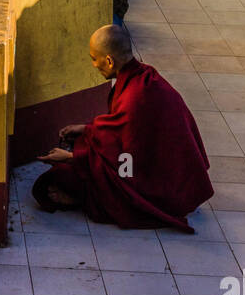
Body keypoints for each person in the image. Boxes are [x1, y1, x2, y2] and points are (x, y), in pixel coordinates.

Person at [33, 25, 213, 232]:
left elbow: (125, 157)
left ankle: (81, 199)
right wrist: (86, 129)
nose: (93, 64)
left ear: (109, 61)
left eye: (94, 58)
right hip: (171, 174)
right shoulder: (145, 76)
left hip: (159, 185)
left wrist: (71, 158)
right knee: (81, 152)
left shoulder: (134, 97)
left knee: (57, 177)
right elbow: (123, 132)